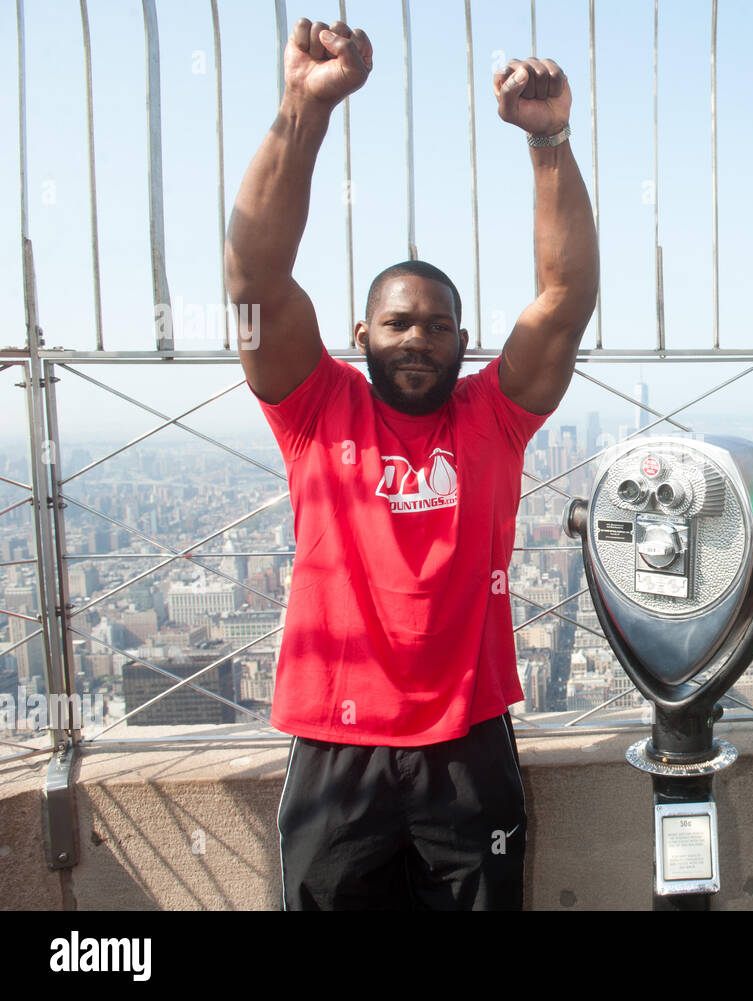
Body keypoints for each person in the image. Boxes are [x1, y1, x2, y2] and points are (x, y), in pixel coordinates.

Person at [225, 18, 598, 910]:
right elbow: (251, 281)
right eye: (398, 323)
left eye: (437, 325)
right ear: (361, 336)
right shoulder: (314, 409)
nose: (418, 339)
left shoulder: (493, 420)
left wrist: (550, 142)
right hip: (334, 747)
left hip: (466, 745)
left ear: (465, 340)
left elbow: (566, 297)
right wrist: (304, 107)